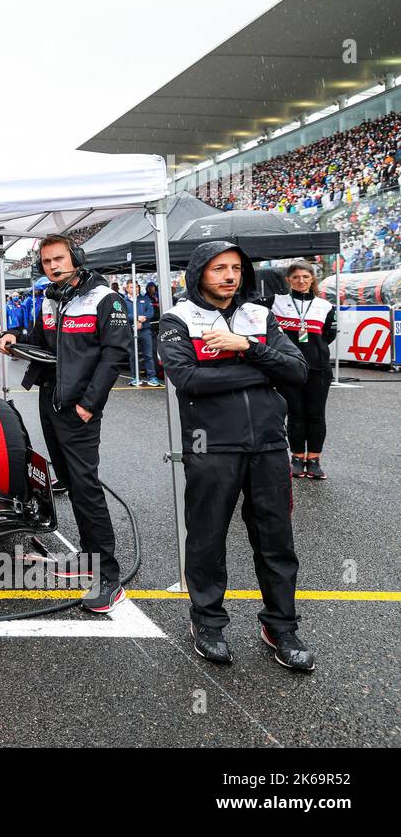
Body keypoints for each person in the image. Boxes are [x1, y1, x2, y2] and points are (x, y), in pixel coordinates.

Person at [157, 242, 313, 671]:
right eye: (218, 269)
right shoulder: (178, 319)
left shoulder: (259, 317)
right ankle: (207, 622)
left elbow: (298, 371)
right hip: (211, 444)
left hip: (268, 443)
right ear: (198, 274)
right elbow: (188, 380)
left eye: (235, 268)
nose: (229, 276)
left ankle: (281, 625)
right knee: (207, 539)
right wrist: (264, 370)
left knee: (276, 541)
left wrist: (244, 344)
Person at [0, 234, 130, 613]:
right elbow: (41, 341)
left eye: (59, 259)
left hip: (79, 406)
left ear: (77, 257)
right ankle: (88, 558)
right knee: (70, 484)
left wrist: (90, 405)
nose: (53, 266)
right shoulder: (52, 298)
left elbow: (114, 356)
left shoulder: (105, 299)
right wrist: (14, 336)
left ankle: (107, 575)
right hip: (50, 398)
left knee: (85, 487)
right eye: (47, 261)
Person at [269, 261, 336, 480]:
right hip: (288, 368)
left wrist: (313, 350)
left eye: (305, 277)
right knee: (295, 414)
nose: (301, 281)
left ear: (312, 279)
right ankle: (297, 458)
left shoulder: (325, 306)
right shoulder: (276, 302)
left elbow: (328, 335)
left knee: (316, 415)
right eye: (296, 277)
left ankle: (314, 460)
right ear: (288, 279)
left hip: (318, 368)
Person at [123, 281, 159, 386]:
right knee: (133, 355)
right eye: (131, 287)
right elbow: (124, 314)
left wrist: (141, 321)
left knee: (148, 355)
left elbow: (151, 313)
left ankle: (152, 377)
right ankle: (135, 377)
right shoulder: (123, 301)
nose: (134, 289)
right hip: (130, 330)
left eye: (136, 287)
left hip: (145, 330)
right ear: (127, 289)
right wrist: (136, 318)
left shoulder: (145, 299)